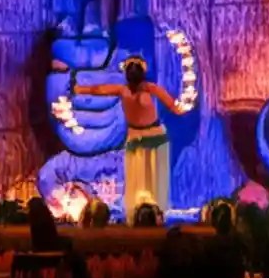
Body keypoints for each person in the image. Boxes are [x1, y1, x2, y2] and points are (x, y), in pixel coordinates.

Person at [73, 55, 187, 221]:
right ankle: (138, 213)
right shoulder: (122, 90)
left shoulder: (150, 89)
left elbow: (173, 106)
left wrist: (183, 107)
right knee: (137, 178)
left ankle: (156, 213)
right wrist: (79, 89)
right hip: (135, 137)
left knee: (153, 177)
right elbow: (99, 90)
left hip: (154, 136)